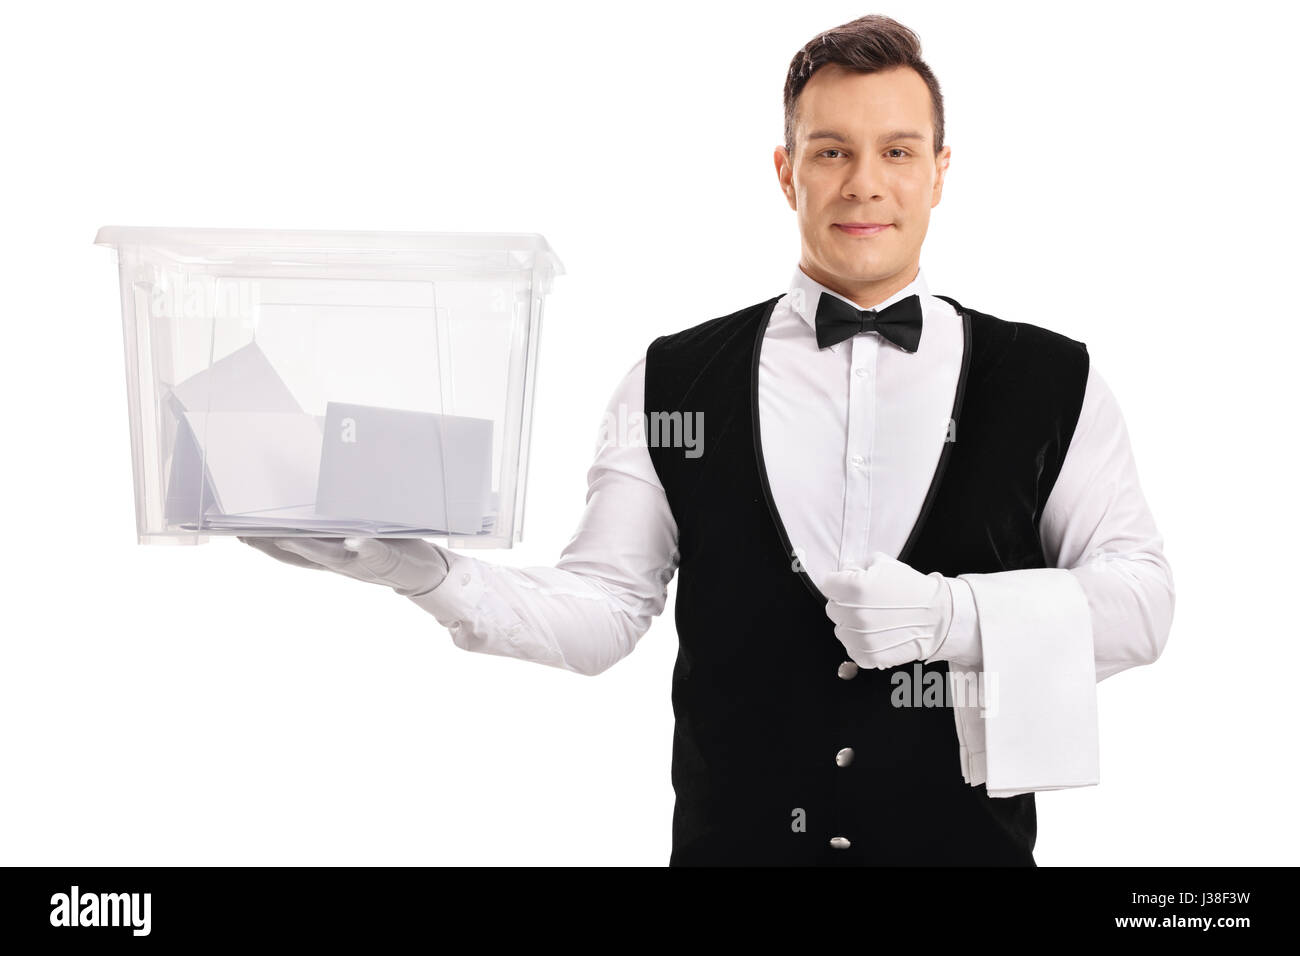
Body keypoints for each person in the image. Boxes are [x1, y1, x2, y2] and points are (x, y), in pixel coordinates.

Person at [242, 13, 1174, 866]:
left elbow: (1143, 603)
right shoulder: (671, 379)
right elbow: (604, 612)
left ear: (939, 171)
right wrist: (429, 576)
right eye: (831, 150)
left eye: (897, 150)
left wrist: (949, 618)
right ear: (785, 170)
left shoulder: (1056, 380)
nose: (865, 183)